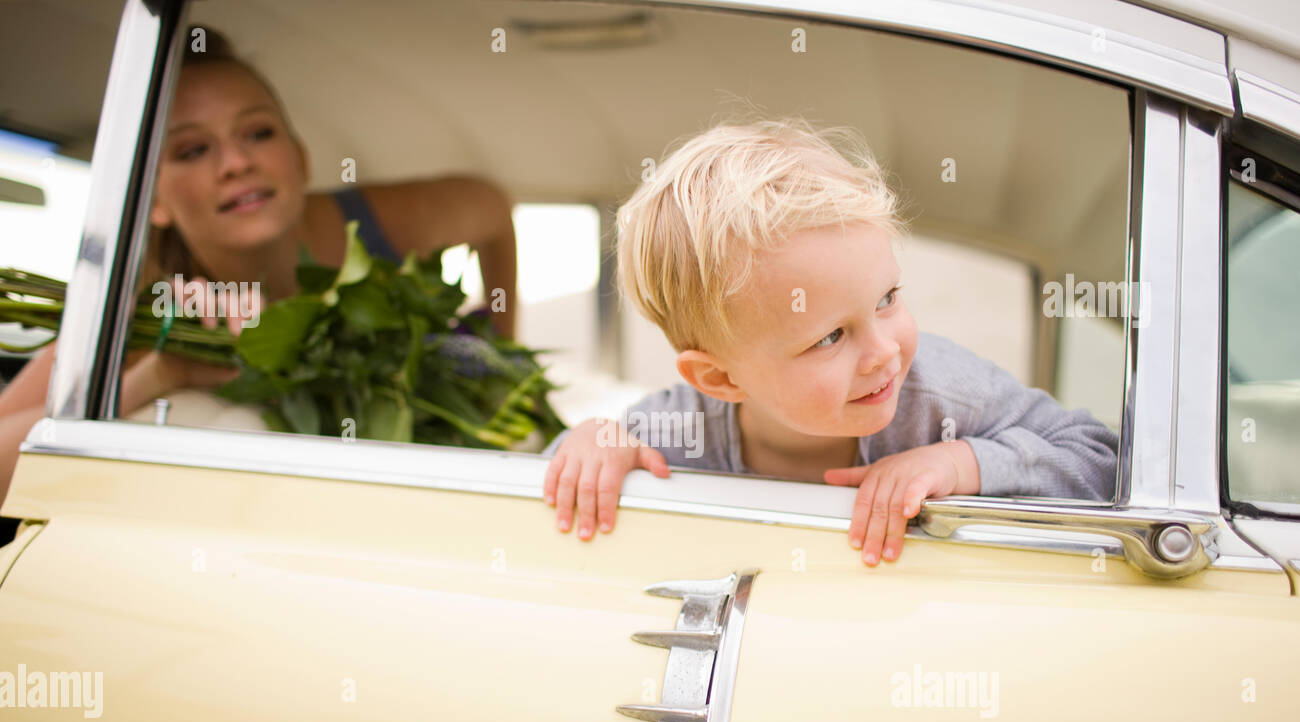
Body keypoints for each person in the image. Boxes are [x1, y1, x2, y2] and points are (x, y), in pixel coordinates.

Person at [541, 117, 1119, 566]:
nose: (885, 352)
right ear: (720, 379)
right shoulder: (684, 425)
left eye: (887, 298)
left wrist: (960, 462)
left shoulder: (942, 398)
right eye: (831, 336)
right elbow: (554, 482)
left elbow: (1101, 460)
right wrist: (596, 439)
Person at [0, 27, 518, 502]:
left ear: (301, 158)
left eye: (258, 134)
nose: (236, 163)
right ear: (152, 201)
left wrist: (495, 354)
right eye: (193, 150)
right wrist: (156, 375)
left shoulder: (374, 223)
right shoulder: (140, 303)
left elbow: (492, 207)